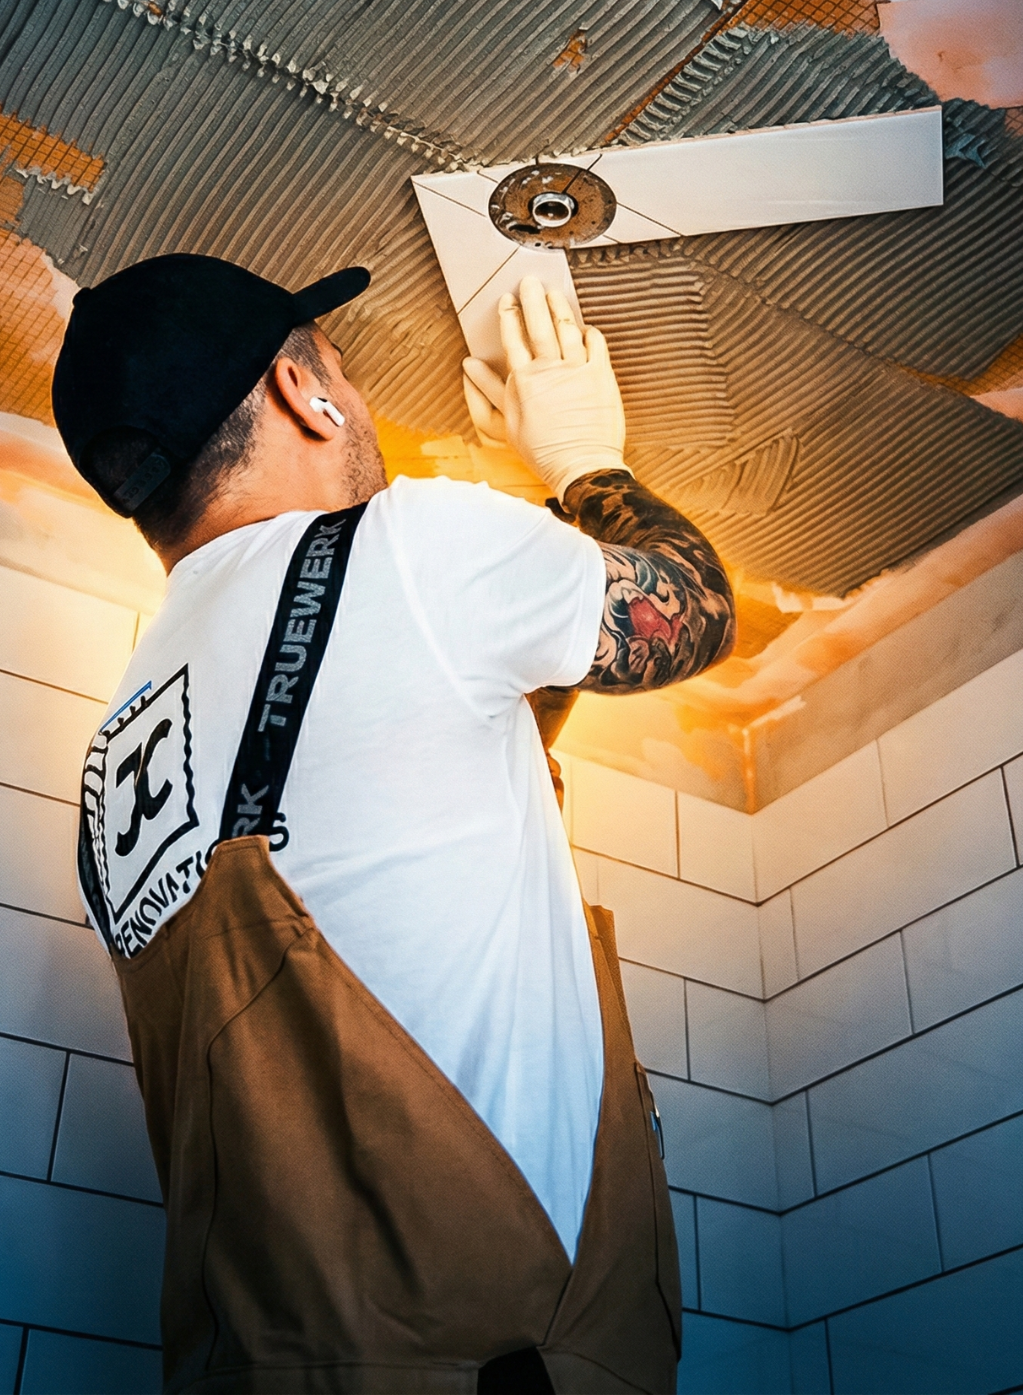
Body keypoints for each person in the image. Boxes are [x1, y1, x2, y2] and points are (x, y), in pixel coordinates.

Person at [53, 252, 735, 1395]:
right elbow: (693, 612)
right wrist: (584, 463)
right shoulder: (411, 546)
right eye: (344, 372)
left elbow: (431, 776)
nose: (356, 397)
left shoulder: (120, 746)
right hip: (488, 1354)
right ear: (299, 391)